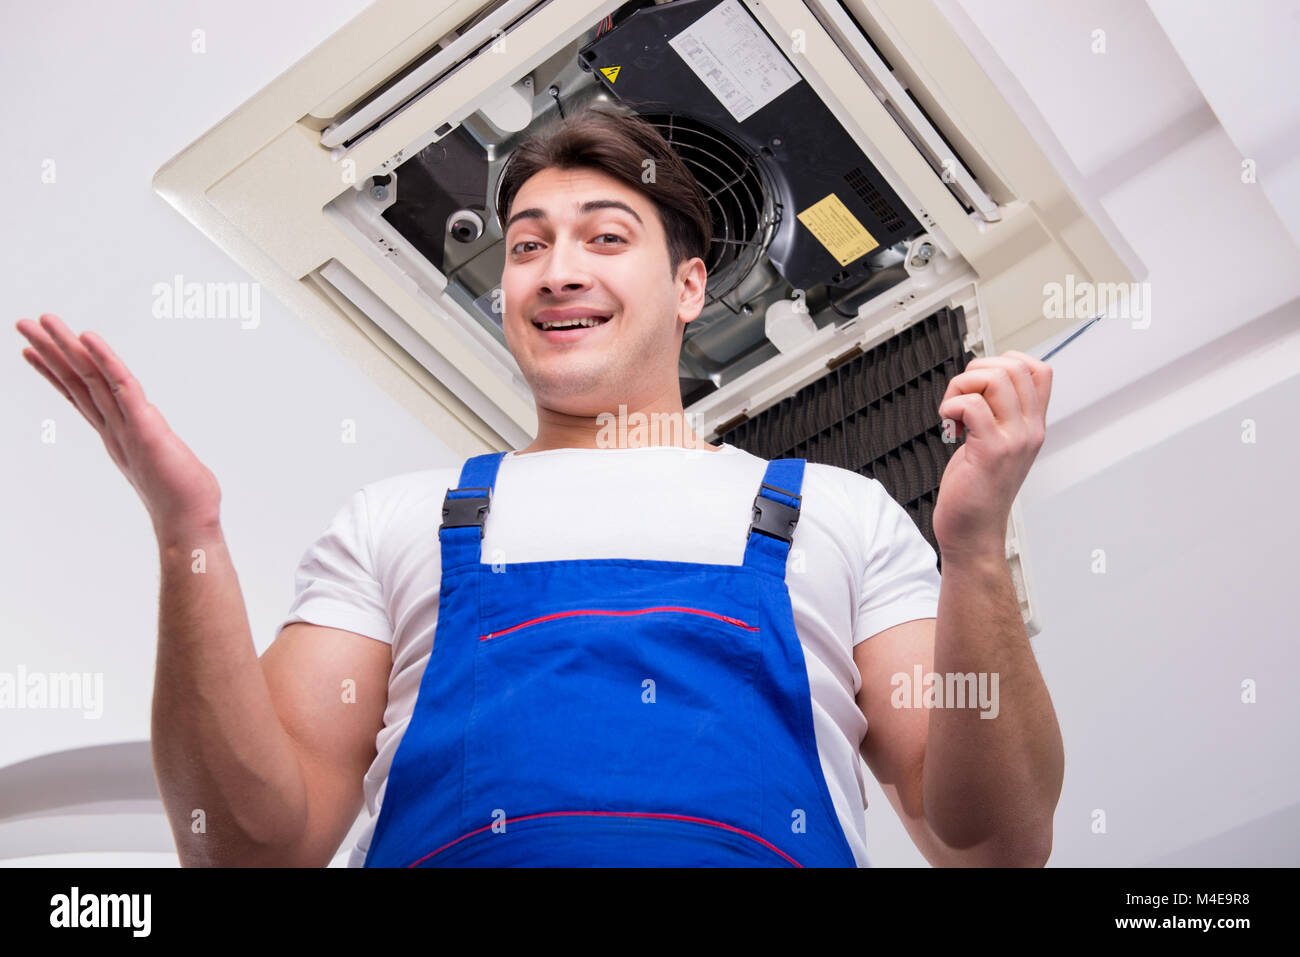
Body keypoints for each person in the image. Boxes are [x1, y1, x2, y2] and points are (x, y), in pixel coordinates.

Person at [15, 106, 1063, 867]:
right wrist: (184, 534)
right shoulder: (399, 523)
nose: (557, 270)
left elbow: (990, 840)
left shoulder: (836, 513)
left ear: (690, 284)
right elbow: (249, 848)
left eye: (606, 237)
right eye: (527, 247)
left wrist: (973, 555)